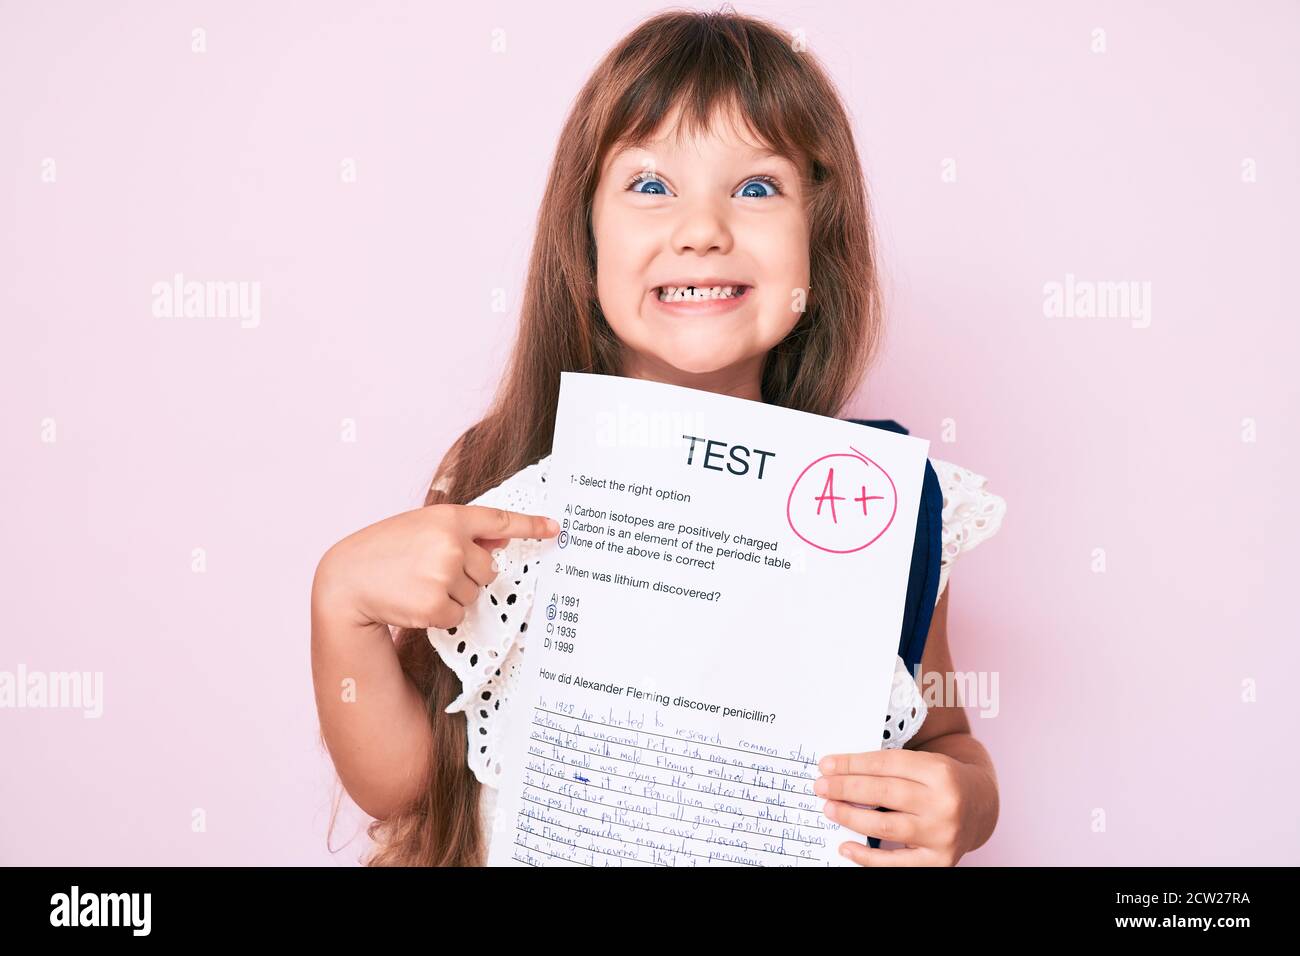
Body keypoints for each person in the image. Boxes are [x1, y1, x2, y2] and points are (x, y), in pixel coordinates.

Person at [311, 9, 1007, 867]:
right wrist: (341, 603)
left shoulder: (880, 504)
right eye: (650, 185)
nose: (703, 228)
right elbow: (411, 786)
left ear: (818, 243)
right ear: (585, 236)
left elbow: (942, 733)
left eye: (756, 188)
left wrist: (966, 801)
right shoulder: (502, 476)